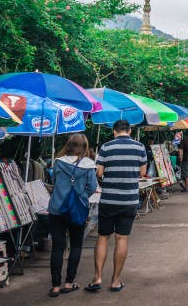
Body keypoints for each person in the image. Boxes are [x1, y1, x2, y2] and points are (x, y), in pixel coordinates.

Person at [87, 120, 147, 294]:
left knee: (103, 237)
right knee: (121, 239)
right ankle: (115, 281)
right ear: (129, 131)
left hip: (108, 199)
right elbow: (142, 173)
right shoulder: (140, 147)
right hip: (128, 200)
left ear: (114, 131)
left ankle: (97, 278)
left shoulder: (106, 147)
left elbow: (99, 172)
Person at [47, 134, 98, 297]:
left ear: (68, 145)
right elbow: (92, 187)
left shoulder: (58, 162)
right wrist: (81, 197)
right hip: (78, 210)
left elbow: (54, 182)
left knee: (57, 247)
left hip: (57, 209)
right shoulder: (89, 165)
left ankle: (55, 286)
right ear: (84, 147)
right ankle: (69, 283)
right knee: (76, 245)